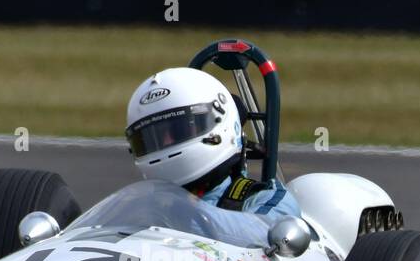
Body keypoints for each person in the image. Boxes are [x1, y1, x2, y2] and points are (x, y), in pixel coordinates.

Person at [123, 68, 301, 238]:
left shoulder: (271, 200)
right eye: (154, 138)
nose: (167, 142)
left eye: (179, 130)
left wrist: (183, 213)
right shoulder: (142, 209)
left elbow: (263, 232)